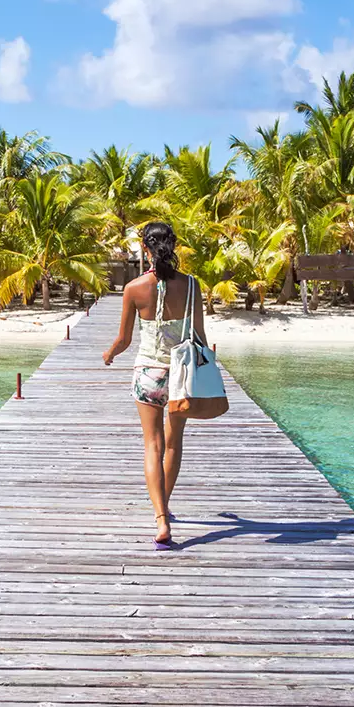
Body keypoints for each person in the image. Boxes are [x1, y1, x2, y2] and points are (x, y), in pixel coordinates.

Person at [102, 220, 206, 547]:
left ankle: (161, 518)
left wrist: (109, 354)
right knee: (174, 443)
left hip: (147, 373)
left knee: (153, 444)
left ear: (145, 248)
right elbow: (200, 337)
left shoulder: (134, 288)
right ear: (173, 246)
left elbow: (123, 339)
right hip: (180, 373)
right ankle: (165, 503)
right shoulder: (191, 286)